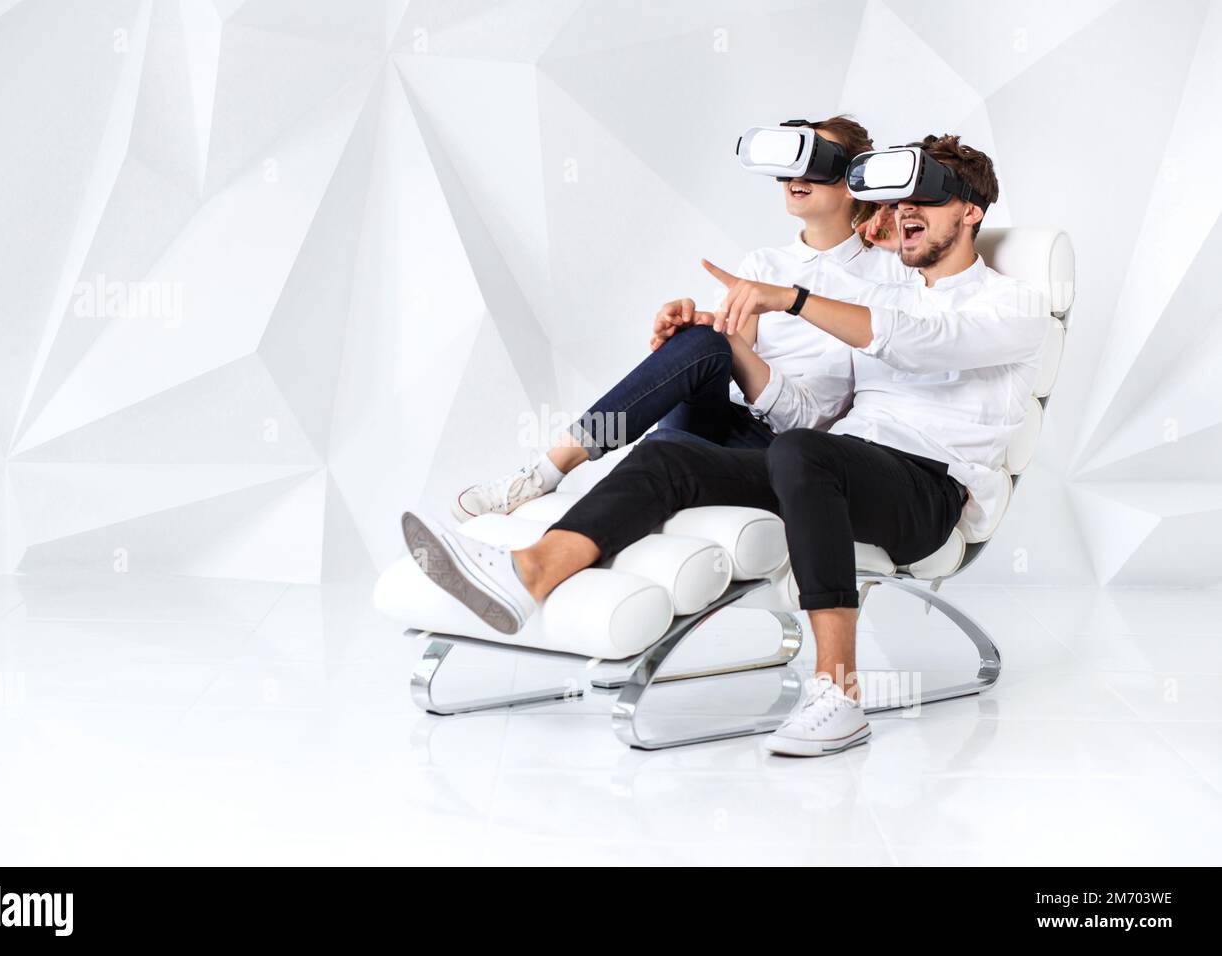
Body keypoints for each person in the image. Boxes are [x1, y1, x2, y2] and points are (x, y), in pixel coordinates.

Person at [401, 134, 1052, 757]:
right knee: (670, 457)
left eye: (927, 199)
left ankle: (839, 692)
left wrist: (791, 298)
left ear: (971, 212)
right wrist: (715, 334)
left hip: (925, 491)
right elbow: (829, 370)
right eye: (898, 201)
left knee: (802, 450)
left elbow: (916, 340)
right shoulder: (880, 284)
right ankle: (531, 572)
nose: (907, 213)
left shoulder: (1014, 304)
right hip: (836, 464)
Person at [450, 116, 912, 521]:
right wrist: (698, 334)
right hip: (720, 425)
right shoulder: (763, 266)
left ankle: (589, 493)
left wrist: (898, 232)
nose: (795, 176)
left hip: (785, 452)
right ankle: (545, 474)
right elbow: (733, 363)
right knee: (703, 340)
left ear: (853, 177)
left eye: (816, 160)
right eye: (789, 162)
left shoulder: (889, 273)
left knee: (707, 360)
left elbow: (810, 421)